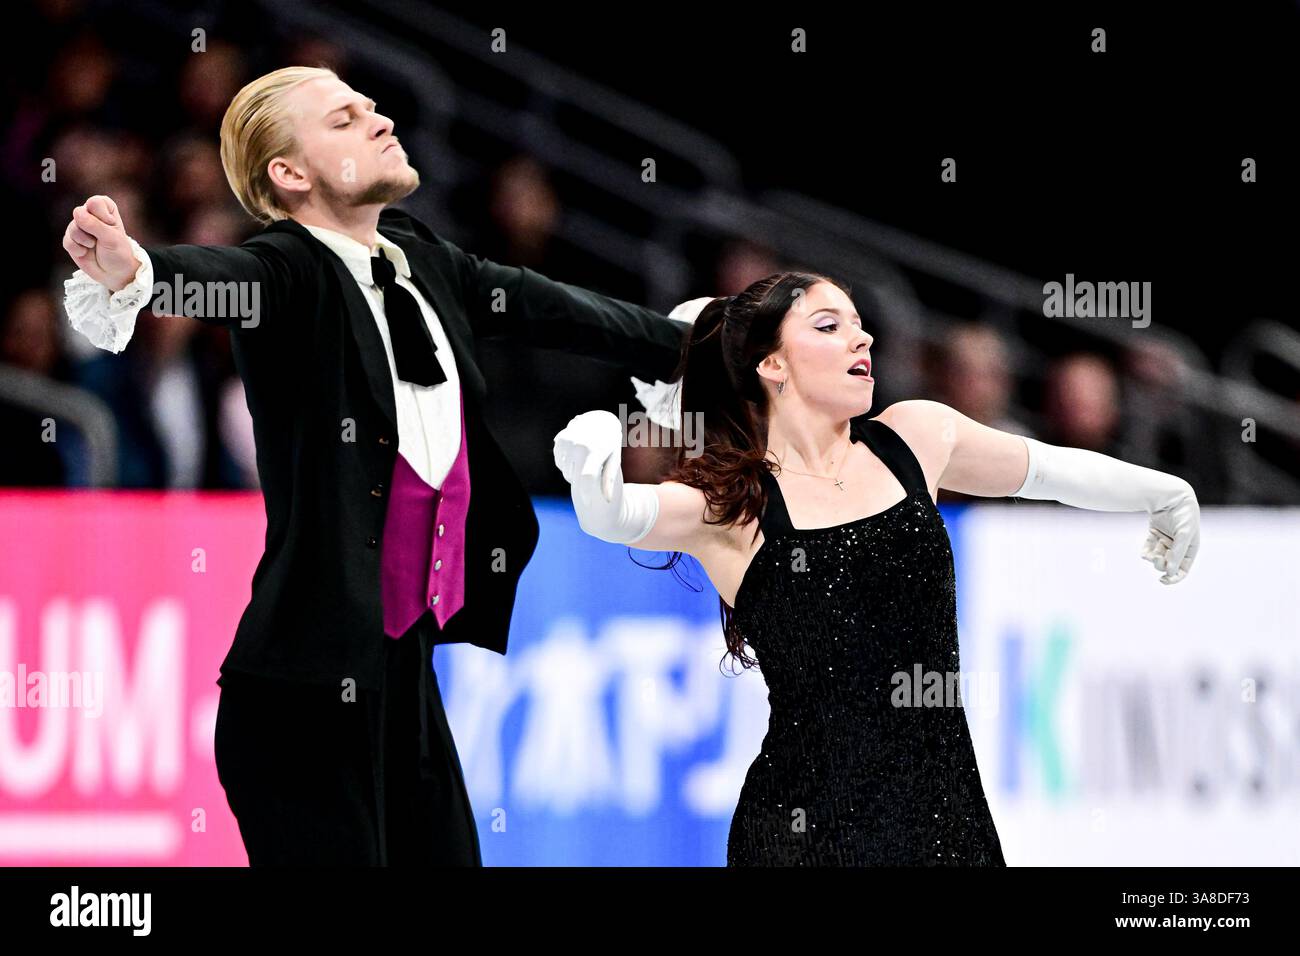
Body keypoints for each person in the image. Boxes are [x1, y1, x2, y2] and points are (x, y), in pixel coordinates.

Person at [60, 66, 689, 865]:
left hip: (403, 689)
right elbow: (226, 284)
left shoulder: (428, 262)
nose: (380, 118)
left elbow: (566, 311)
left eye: (372, 105)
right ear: (291, 173)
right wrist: (139, 273)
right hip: (299, 705)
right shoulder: (290, 270)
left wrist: (709, 349)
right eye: (346, 118)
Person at [553, 273, 1201, 865]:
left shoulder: (915, 437)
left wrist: (1163, 492)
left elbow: (1050, 470)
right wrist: (595, 477)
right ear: (772, 363)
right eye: (829, 326)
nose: (861, 336)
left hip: (946, 824)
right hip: (805, 837)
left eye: (858, 322)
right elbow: (618, 516)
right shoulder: (732, 505)